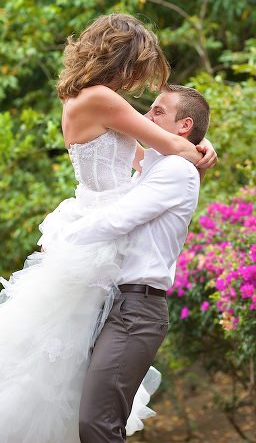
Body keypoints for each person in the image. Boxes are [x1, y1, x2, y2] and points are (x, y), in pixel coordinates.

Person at [0, 14, 216, 443]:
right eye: (141, 66)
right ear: (123, 57)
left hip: (97, 223)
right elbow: (168, 144)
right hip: (101, 233)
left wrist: (192, 143)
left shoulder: (84, 98)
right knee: (59, 371)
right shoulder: (102, 98)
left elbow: (143, 156)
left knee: (61, 368)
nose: (140, 81)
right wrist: (204, 148)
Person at [65, 84, 210, 442]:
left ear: (184, 125)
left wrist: (62, 237)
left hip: (137, 309)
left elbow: (118, 219)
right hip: (115, 303)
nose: (145, 117)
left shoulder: (176, 171)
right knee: (88, 419)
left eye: (158, 111)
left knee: (97, 424)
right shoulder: (155, 168)